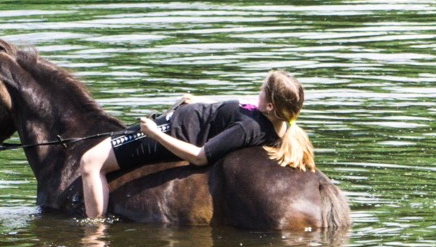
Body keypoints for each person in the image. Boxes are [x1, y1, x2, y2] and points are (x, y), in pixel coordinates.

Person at [79, 69, 314, 218]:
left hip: (176, 129)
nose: (258, 92)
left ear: (271, 106)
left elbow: (201, 156)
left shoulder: (248, 128)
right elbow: (238, 111)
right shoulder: (278, 122)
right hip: (187, 116)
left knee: (90, 162)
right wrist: (201, 102)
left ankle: (95, 236)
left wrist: (155, 133)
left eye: (262, 90)